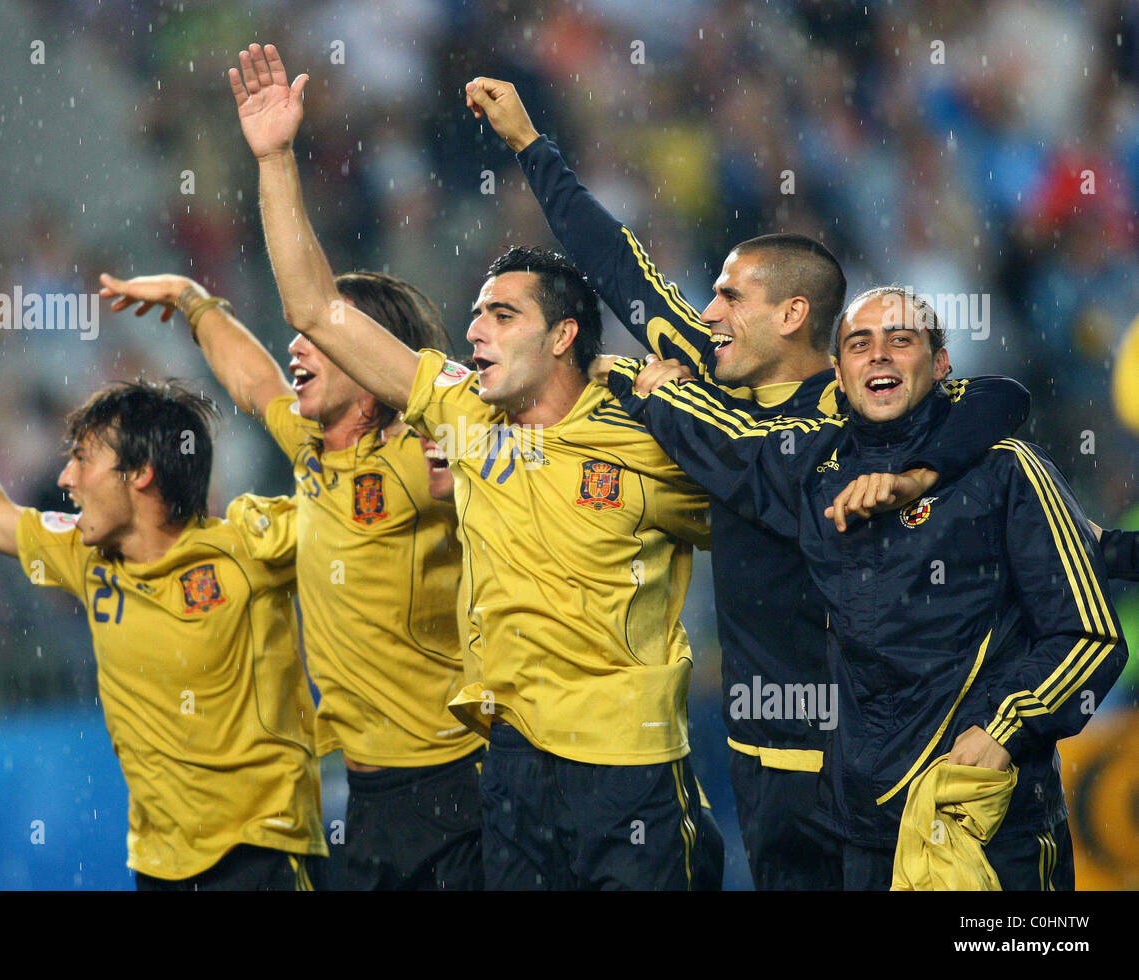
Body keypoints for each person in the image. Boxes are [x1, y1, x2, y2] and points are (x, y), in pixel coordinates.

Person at [464, 75, 1031, 889]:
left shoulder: (865, 404)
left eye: (731, 297)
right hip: (763, 750)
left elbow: (1000, 398)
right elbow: (620, 265)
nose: (710, 312)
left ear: (793, 316)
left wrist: (916, 473)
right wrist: (529, 143)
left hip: (874, 747)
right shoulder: (697, 372)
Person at [229, 41, 722, 889]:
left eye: (501, 313)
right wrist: (275, 159)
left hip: (630, 776)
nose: (476, 330)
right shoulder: (457, 412)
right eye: (475, 314)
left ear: (565, 335)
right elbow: (315, 306)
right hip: (514, 775)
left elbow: (763, 511)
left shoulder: (649, 437)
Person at [601, 287, 1129, 889]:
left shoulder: (1007, 469)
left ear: (940, 364)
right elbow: (727, 442)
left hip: (987, 821)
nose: (878, 355)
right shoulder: (813, 470)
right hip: (862, 831)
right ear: (840, 372)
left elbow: (1088, 636)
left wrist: (1003, 728)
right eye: (860, 344)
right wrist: (643, 387)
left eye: (900, 340)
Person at [0, 320, 327, 890]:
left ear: (141, 473)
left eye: (83, 459)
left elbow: (350, 508)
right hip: (159, 868)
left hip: (262, 857)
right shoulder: (87, 557)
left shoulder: (248, 545)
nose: (65, 477)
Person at [95, 269, 484, 891]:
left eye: (317, 337)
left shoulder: (422, 457)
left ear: (373, 360)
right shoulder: (311, 446)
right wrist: (190, 299)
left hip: (455, 778)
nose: (296, 346)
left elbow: (518, 439)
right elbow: (252, 380)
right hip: (370, 794)